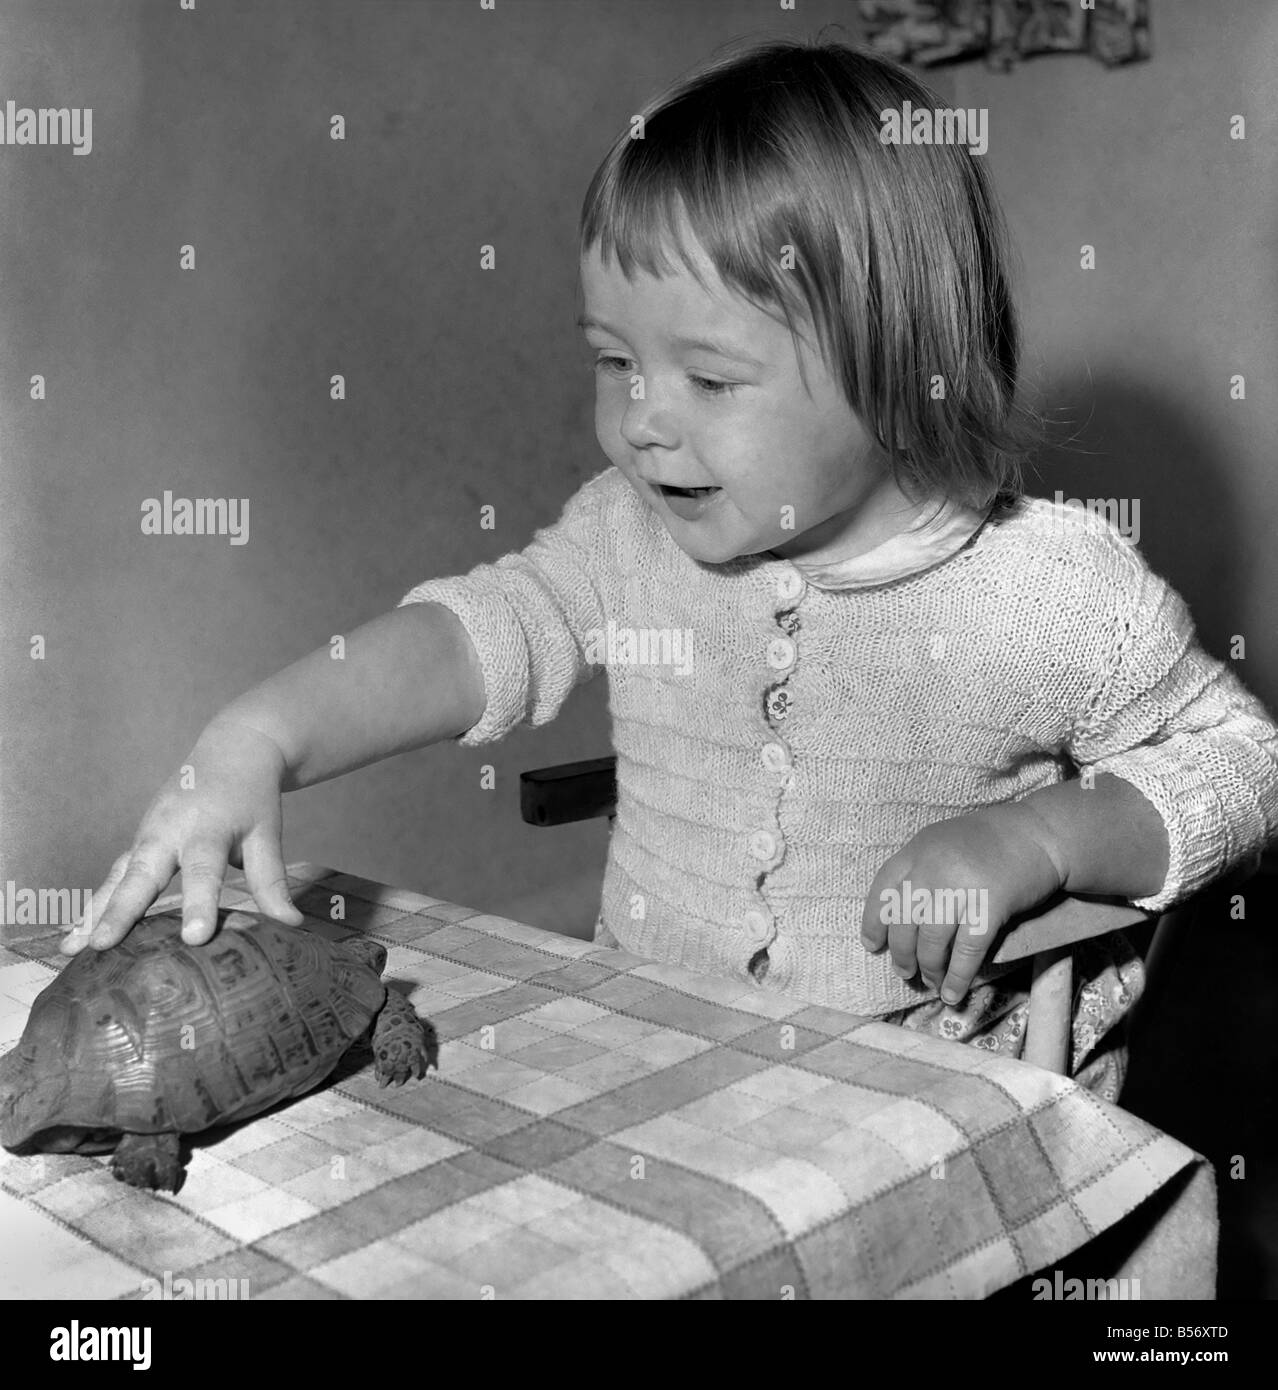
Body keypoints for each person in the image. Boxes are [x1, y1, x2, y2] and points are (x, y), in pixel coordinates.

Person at [65, 38, 1278, 1103]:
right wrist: (260, 734)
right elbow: (482, 630)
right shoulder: (627, 535)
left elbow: (1245, 767)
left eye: (707, 378)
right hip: (662, 1069)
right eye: (612, 361)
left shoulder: (1052, 590)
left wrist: (1039, 837)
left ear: (905, 368)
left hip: (930, 1117)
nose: (644, 419)